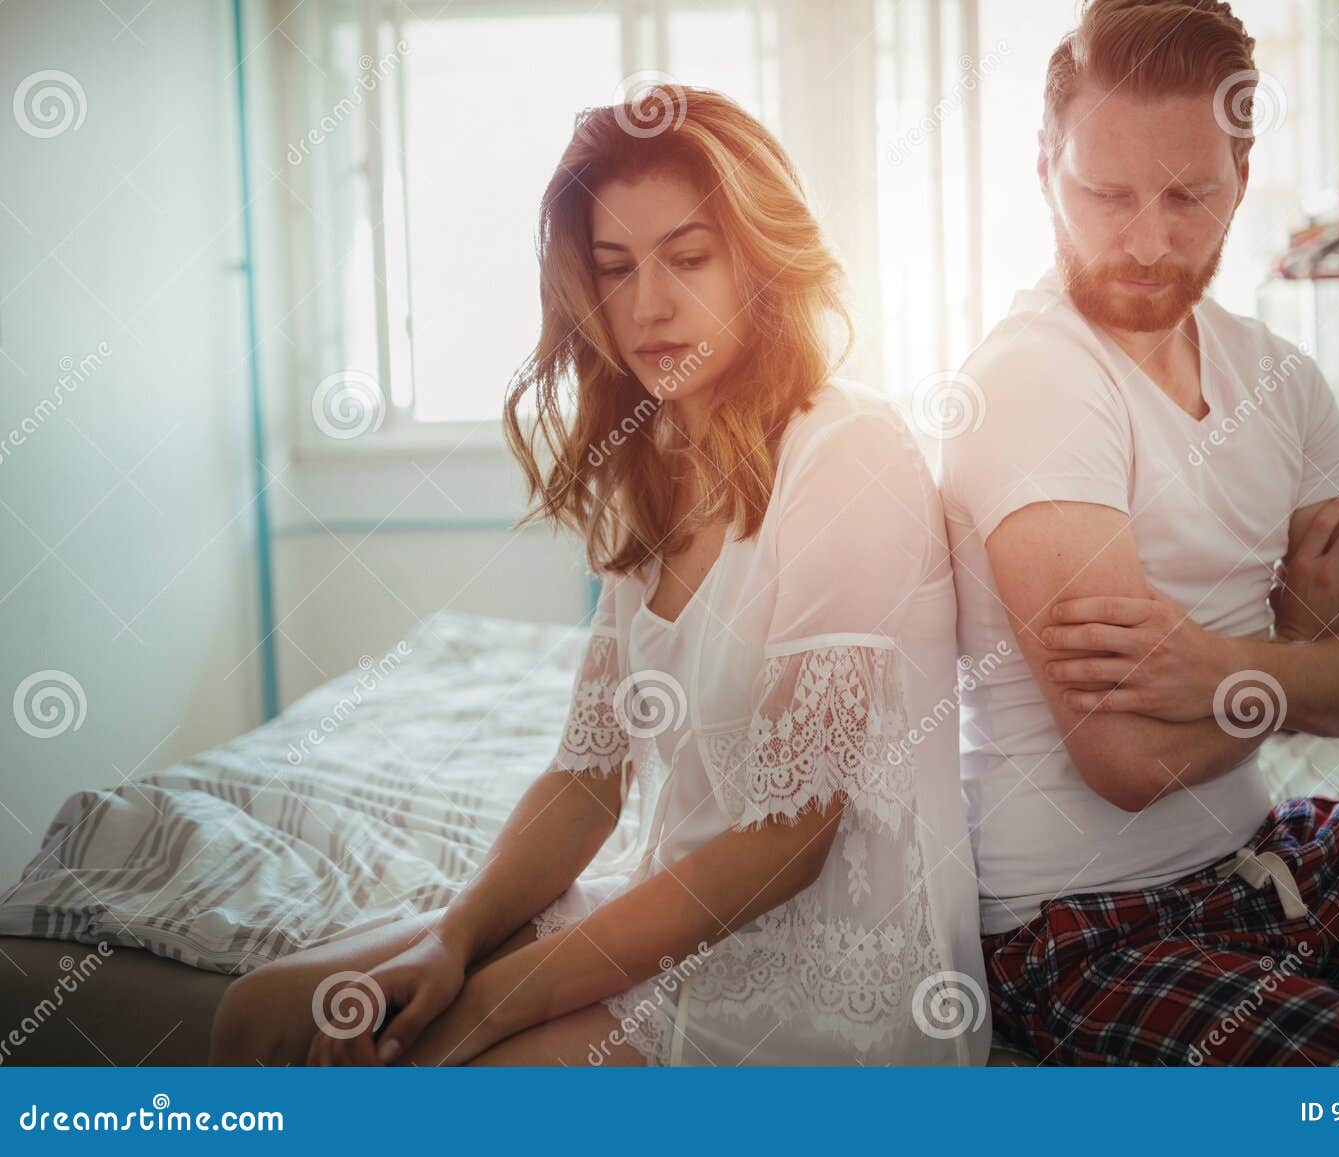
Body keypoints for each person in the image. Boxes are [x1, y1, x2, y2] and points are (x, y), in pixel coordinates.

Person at [210, 85, 989, 1067]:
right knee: (261, 1013)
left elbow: (789, 837)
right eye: (615, 269)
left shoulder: (850, 447)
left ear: (761, 260)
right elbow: (586, 778)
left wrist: (493, 1002)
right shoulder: (654, 454)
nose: (648, 305)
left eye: (689, 259)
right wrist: (449, 943)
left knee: (445, 1071)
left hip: (825, 967)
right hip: (663, 911)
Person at [933, 0, 1339, 1065]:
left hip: (1281, 858)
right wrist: (1307, 663)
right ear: (1042, 164)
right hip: (1091, 931)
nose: (1148, 240)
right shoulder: (1030, 383)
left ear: (1242, 177)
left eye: (1188, 193)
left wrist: (1227, 666)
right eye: (1105, 192)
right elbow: (1131, 759)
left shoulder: (1280, 381)